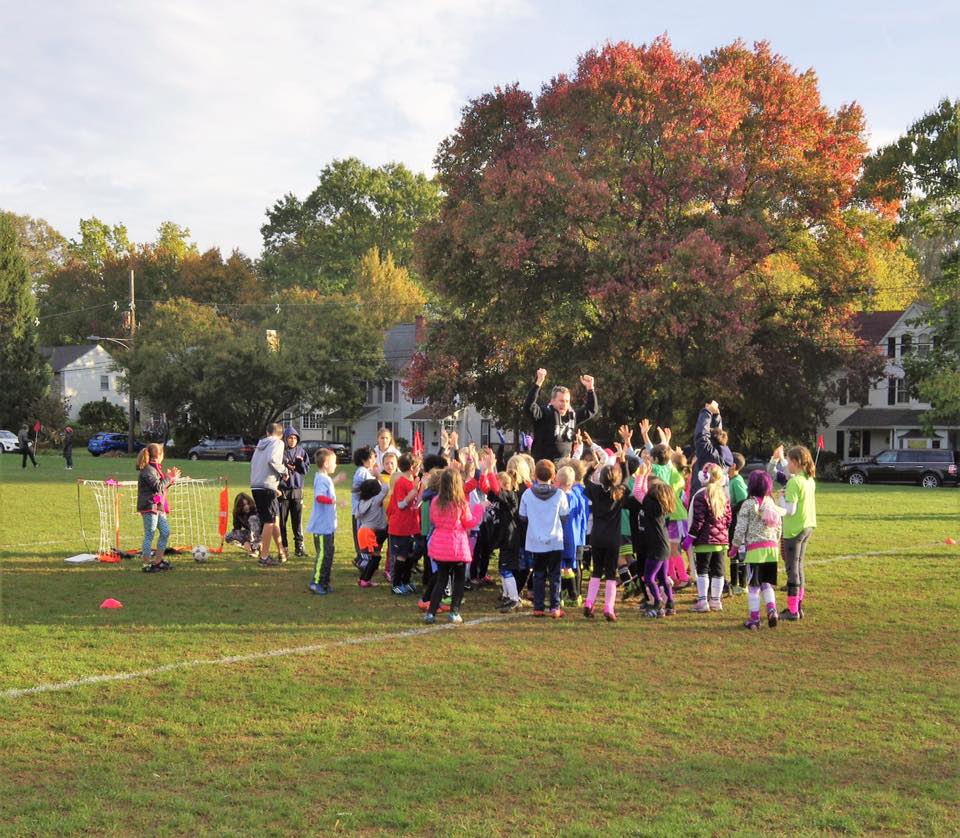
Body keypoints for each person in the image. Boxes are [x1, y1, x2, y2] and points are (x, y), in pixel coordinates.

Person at [424, 468, 486, 625]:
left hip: (440, 545)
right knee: (458, 579)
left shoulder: (435, 501)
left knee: (441, 579)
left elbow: (433, 519)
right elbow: (470, 522)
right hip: (457, 546)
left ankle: (431, 613)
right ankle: (454, 611)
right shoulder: (460, 503)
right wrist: (479, 508)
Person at [582, 444, 632, 621]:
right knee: (611, 574)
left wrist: (594, 466)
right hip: (613, 539)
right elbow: (626, 479)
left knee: (596, 571)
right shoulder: (619, 493)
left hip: (596, 537)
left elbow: (586, 480)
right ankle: (609, 607)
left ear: (600, 479)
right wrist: (623, 461)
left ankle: (589, 602)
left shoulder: (595, 491)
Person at [731, 470, 784, 629]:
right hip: (771, 548)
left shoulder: (748, 504)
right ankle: (772, 610)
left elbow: (740, 528)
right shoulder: (771, 503)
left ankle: (754, 619)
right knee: (767, 583)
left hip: (755, 550)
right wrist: (777, 542)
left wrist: (734, 546)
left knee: (754, 586)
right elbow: (779, 526)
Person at [519, 459, 570, 618]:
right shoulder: (560, 494)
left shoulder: (527, 494)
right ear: (554, 476)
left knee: (539, 573)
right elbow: (564, 516)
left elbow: (522, 516)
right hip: (555, 540)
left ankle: (538, 607)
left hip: (536, 540)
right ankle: (555, 607)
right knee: (555, 574)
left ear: (534, 475)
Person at [776, 445, 817, 622]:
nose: (787, 466)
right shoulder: (808, 479)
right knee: (799, 567)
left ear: (794, 462)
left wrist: (780, 500)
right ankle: (798, 607)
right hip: (807, 525)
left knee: (792, 569)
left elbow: (790, 510)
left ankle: (793, 610)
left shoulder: (794, 482)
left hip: (794, 528)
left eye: (788, 461)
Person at [523, 368, 598, 462]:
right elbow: (528, 407)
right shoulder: (545, 413)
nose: (565, 404)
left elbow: (591, 410)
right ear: (552, 401)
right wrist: (539, 382)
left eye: (567, 401)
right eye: (561, 401)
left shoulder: (572, 416)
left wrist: (590, 388)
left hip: (564, 465)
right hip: (544, 466)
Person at [688, 463, 732, 613]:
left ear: (703, 476)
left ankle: (702, 601)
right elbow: (728, 519)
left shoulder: (701, 495)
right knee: (718, 570)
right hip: (721, 542)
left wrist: (690, 536)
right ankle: (716, 601)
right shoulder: (724, 495)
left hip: (703, 541)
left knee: (703, 570)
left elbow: (698, 520)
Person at [136, 443, 180, 572]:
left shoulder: (155, 469)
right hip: (149, 506)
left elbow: (161, 487)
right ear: (159, 455)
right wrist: (169, 477)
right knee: (150, 534)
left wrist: (171, 480)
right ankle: (146, 565)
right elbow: (158, 487)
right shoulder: (148, 469)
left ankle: (158, 562)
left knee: (165, 532)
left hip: (158, 507)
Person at [306, 448, 344, 595]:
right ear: (326, 463)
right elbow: (319, 497)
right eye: (335, 462)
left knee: (328, 553)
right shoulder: (322, 479)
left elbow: (326, 486)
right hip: (322, 528)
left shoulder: (324, 478)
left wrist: (336, 480)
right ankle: (316, 582)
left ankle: (325, 582)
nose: (336, 465)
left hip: (328, 526)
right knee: (323, 554)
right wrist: (335, 501)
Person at [638, 478, 677, 618]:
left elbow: (638, 492)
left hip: (656, 548)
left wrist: (642, 475)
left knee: (649, 578)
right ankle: (670, 604)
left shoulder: (650, 505)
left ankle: (657, 604)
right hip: (663, 546)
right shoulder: (661, 506)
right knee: (663, 577)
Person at [250, 423, 287, 566]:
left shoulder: (259, 446)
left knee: (273, 519)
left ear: (267, 433)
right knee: (269, 521)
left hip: (256, 485)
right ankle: (264, 557)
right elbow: (273, 460)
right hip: (267, 486)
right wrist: (284, 472)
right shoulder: (278, 443)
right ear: (281, 434)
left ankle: (281, 552)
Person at [387, 453, 421, 595]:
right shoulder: (401, 482)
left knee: (409, 555)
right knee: (401, 556)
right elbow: (401, 504)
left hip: (410, 526)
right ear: (412, 467)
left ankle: (406, 582)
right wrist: (414, 490)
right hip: (400, 527)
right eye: (418, 466)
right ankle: (396, 584)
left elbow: (416, 503)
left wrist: (420, 490)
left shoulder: (412, 481)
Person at [279, 427, 309, 558]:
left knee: (297, 521)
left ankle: (299, 548)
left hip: (297, 490)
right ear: (285, 438)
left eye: (295, 438)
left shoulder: (301, 451)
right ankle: (284, 547)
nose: (292, 440)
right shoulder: (280, 451)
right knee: (281, 521)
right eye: (290, 438)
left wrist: (299, 463)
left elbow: (305, 470)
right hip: (283, 491)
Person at [351, 446, 378, 564]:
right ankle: (364, 562)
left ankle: (361, 559)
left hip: (361, 510)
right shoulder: (363, 472)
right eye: (372, 458)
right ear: (364, 459)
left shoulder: (363, 471)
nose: (374, 460)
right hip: (362, 512)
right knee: (364, 537)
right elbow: (372, 489)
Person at [689, 400, 724, 493]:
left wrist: (707, 412)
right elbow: (717, 436)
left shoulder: (709, 455)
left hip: (702, 499)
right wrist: (716, 417)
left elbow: (701, 437)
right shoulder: (721, 452)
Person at [727, 453, 749, 594]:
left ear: (733, 466)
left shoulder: (737, 481)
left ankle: (743, 584)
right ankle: (734, 583)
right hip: (732, 522)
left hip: (737, 523)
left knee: (740, 554)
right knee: (732, 553)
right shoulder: (731, 480)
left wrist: (730, 509)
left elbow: (743, 501)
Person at [225, 492, 262, 557]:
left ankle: (256, 548)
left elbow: (260, 528)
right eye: (243, 505)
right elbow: (237, 529)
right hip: (249, 533)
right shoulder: (237, 513)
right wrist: (244, 541)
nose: (246, 507)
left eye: (248, 504)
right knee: (228, 536)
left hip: (260, 534)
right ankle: (250, 547)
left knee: (252, 519)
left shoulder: (256, 510)